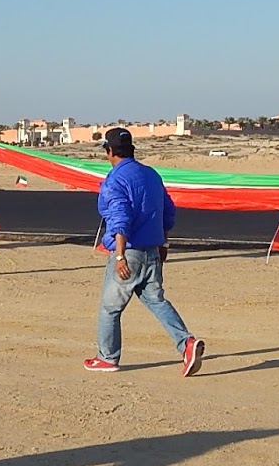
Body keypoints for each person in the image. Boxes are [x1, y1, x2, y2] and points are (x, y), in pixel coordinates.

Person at [84, 127, 204, 376]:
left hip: (129, 252)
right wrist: (163, 244)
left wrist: (119, 255)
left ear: (109, 151)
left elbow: (120, 218)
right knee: (156, 300)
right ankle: (187, 343)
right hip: (152, 250)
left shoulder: (115, 180)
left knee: (110, 308)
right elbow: (167, 212)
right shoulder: (151, 175)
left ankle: (107, 357)